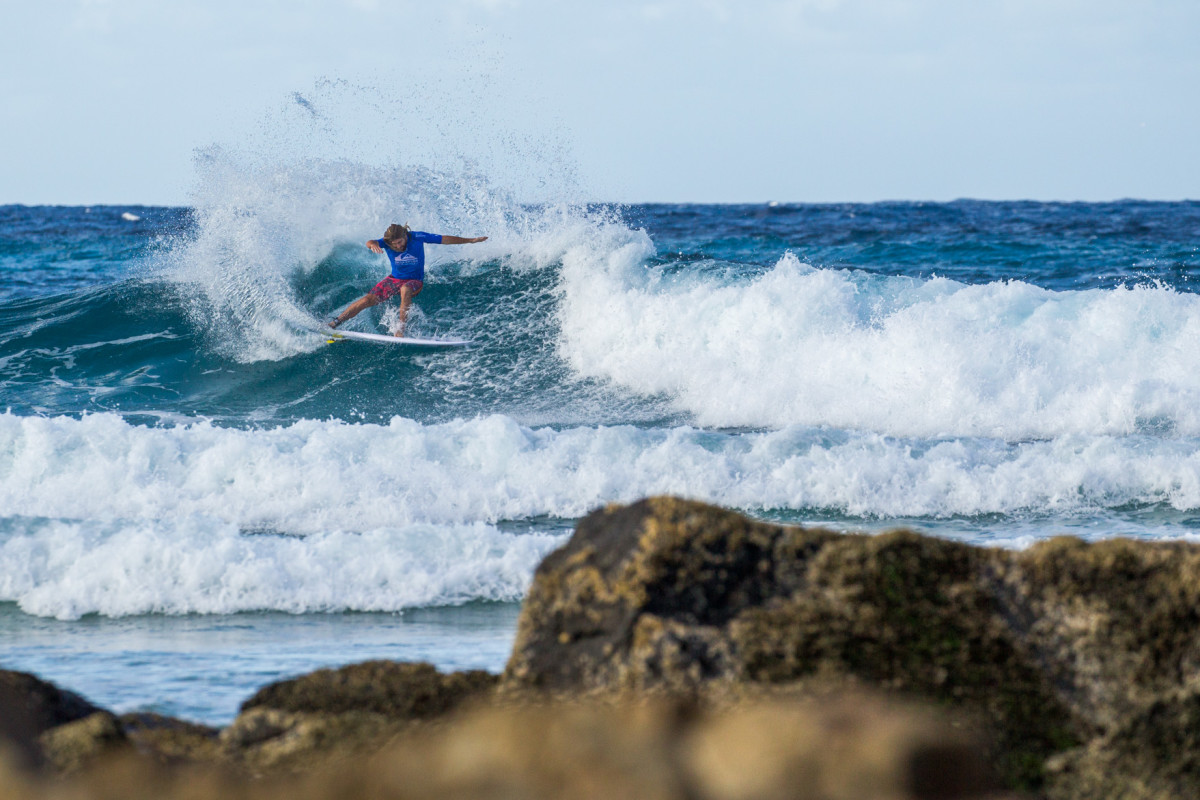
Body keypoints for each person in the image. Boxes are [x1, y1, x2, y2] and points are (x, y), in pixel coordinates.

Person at [329, 223, 487, 336]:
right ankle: (336, 322)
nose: (398, 246)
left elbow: (444, 239)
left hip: (415, 281)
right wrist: (372, 246)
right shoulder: (387, 243)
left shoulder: (417, 237)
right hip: (394, 279)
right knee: (366, 300)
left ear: (405, 236)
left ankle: (400, 330)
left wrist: (471, 240)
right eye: (394, 244)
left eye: (400, 242)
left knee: (405, 289)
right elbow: (370, 242)